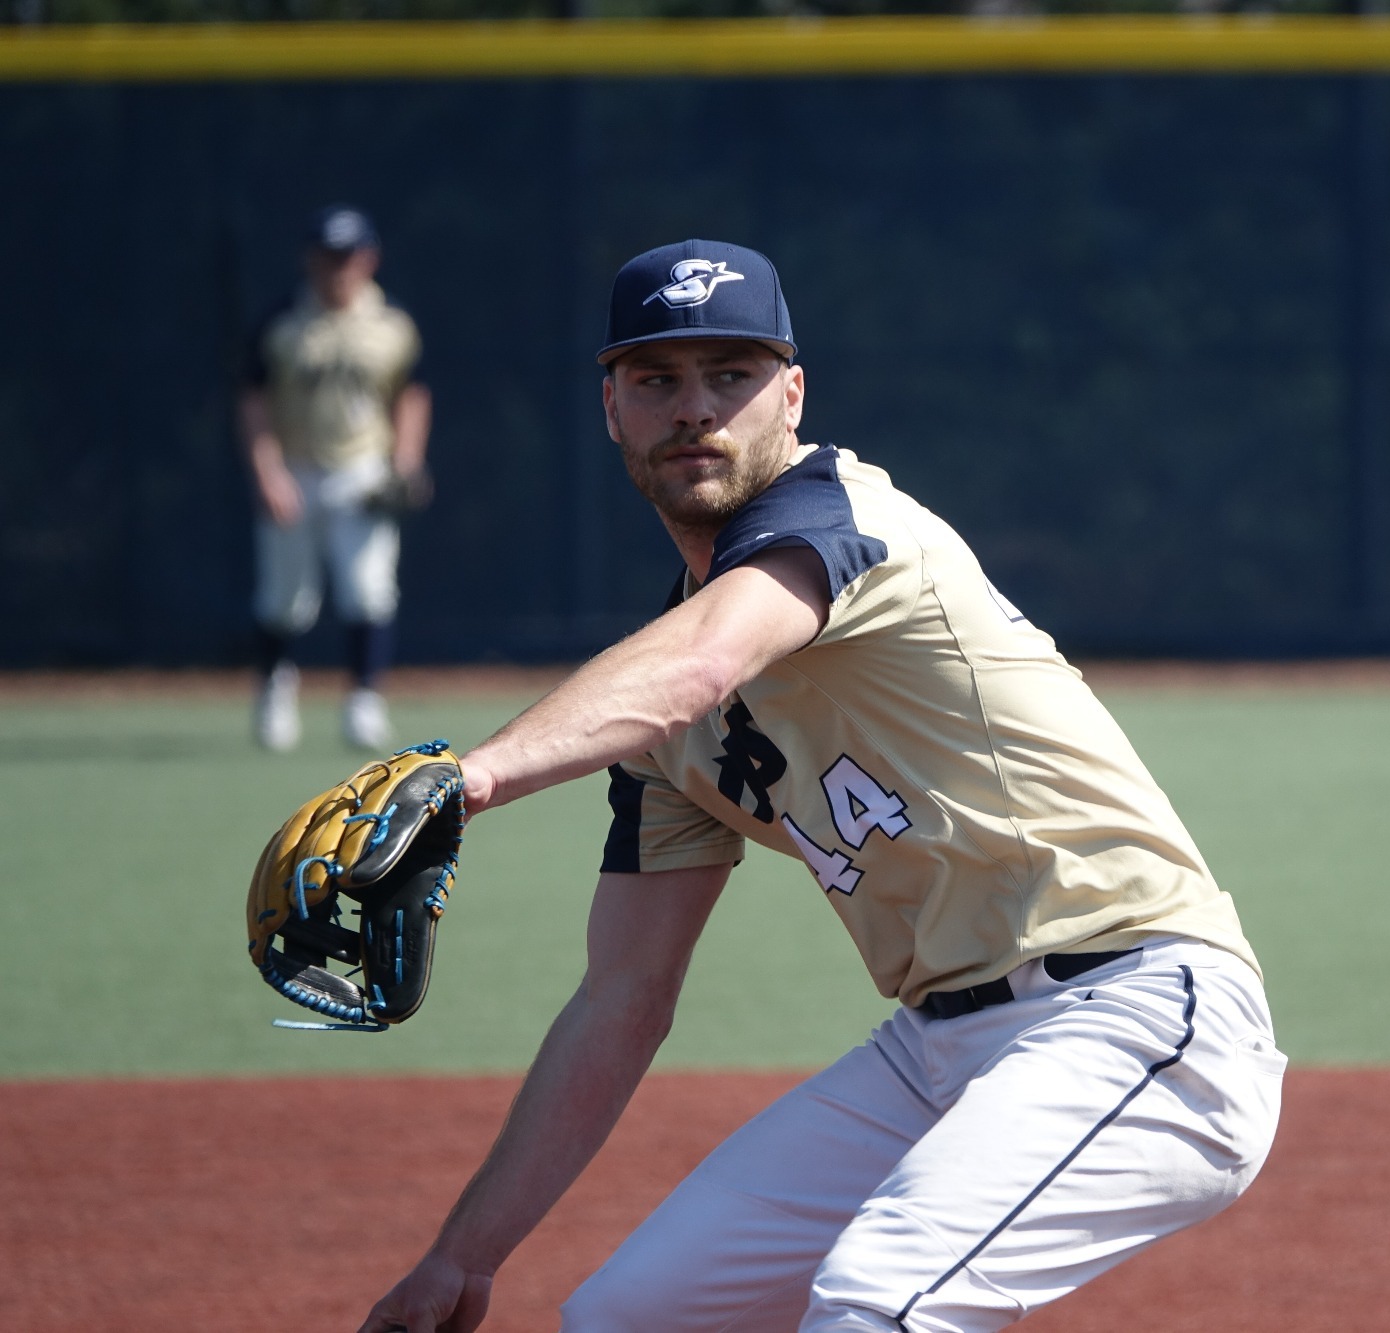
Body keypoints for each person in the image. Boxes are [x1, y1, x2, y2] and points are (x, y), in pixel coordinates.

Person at [359, 240, 1286, 1333]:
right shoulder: (657, 715)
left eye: (730, 375)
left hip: (1134, 1010)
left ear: (790, 395)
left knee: (877, 1303)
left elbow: (703, 660)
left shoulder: (846, 523)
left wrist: (465, 781)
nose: (694, 409)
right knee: (624, 1319)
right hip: (934, 1050)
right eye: (657, 380)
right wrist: (463, 1257)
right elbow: (621, 997)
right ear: (611, 406)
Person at [241, 204, 431, 752]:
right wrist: (267, 471)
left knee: (368, 591)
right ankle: (275, 691)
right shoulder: (282, 321)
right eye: (327, 257)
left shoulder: (391, 322)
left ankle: (363, 702)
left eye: (347, 256)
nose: (337, 269)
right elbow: (252, 400)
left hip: (362, 471)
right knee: (284, 598)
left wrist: (407, 460)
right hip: (295, 468)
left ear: (368, 258)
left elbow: (412, 393)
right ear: (310, 259)